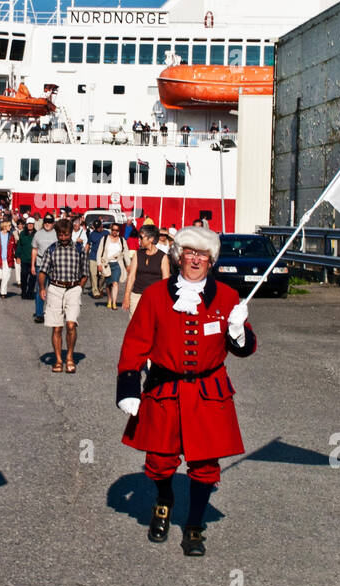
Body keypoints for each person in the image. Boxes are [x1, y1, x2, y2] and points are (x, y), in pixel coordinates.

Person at [116, 226, 255, 556]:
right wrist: (128, 388)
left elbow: (246, 349)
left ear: (211, 260)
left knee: (205, 465)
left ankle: (194, 524)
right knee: (160, 460)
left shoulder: (227, 297)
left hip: (209, 392)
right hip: (164, 389)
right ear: (179, 257)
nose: (195, 259)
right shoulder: (154, 295)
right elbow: (135, 344)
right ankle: (164, 500)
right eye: (189, 253)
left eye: (202, 254)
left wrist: (238, 331)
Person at [36, 217, 88, 373]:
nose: (63, 238)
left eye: (66, 234)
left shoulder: (79, 249)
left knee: (71, 324)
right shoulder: (51, 249)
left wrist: (79, 287)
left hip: (73, 289)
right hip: (55, 288)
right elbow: (43, 271)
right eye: (61, 235)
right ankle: (58, 360)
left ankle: (70, 357)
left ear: (71, 233)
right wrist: (42, 288)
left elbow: (85, 273)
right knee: (57, 327)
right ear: (57, 234)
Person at [122, 224, 170, 319]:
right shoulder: (138, 254)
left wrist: (164, 302)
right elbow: (131, 277)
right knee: (135, 327)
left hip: (154, 299)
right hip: (136, 296)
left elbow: (165, 282)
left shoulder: (163, 257)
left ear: (151, 239)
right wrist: (127, 296)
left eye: (141, 237)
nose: (139, 239)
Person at [96, 222, 131, 309]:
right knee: (108, 284)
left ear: (119, 231)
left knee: (115, 283)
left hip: (117, 264)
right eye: (113, 230)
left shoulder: (122, 240)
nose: (115, 232)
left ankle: (114, 303)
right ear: (111, 230)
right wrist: (99, 264)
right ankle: (109, 299)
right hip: (106, 264)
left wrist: (128, 265)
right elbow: (99, 252)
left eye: (117, 230)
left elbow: (126, 253)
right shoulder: (104, 239)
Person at [30, 212, 57, 324]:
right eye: (46, 221)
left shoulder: (57, 234)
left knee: (53, 291)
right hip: (40, 264)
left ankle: (52, 312)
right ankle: (39, 314)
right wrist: (32, 265)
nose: (47, 224)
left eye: (50, 222)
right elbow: (34, 250)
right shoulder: (38, 234)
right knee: (40, 289)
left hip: (54, 266)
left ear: (53, 223)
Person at [15, 216, 36, 299]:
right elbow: (19, 245)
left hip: (33, 260)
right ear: (26, 225)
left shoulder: (37, 234)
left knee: (32, 277)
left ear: (34, 225)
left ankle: (30, 292)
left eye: (31, 224)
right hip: (24, 258)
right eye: (29, 224)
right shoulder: (23, 234)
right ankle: (24, 292)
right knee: (23, 276)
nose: (30, 225)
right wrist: (17, 256)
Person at [87, 219, 108, 298]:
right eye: (96, 228)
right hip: (93, 256)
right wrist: (85, 255)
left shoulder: (106, 233)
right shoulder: (92, 234)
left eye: (98, 227)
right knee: (93, 275)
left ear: (101, 226)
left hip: (103, 257)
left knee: (103, 275)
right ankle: (95, 292)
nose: (98, 229)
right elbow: (88, 245)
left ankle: (100, 288)